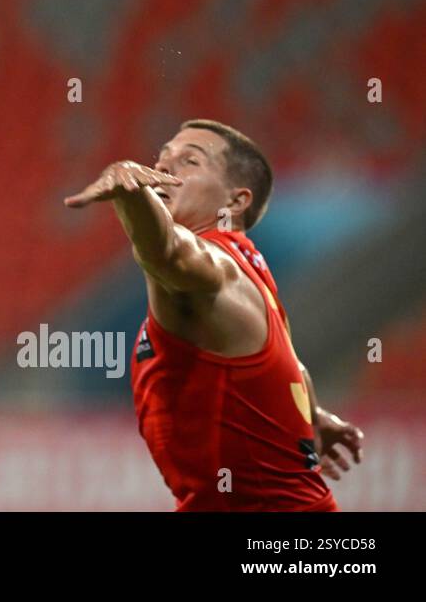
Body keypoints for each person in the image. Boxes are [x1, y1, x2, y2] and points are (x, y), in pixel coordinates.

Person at [65, 119, 365, 511]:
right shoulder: (252, 273)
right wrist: (311, 415)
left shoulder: (213, 269)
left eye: (189, 161)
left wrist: (132, 194)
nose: (164, 168)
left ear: (236, 202)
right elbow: (288, 364)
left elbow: (168, 253)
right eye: (163, 156)